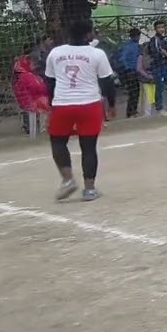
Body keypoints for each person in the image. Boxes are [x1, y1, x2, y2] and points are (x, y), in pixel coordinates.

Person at [46, 18, 116, 201]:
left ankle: (68, 180)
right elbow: (107, 82)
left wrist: (52, 103)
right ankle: (89, 190)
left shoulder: (55, 52)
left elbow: (50, 82)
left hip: (62, 103)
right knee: (89, 147)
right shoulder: (97, 53)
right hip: (89, 104)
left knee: (58, 141)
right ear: (89, 34)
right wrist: (112, 105)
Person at [146, 20, 167, 115]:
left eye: (163, 27)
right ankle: (159, 109)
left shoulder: (164, 40)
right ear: (155, 29)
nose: (161, 29)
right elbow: (156, 53)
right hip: (157, 67)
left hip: (165, 66)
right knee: (160, 87)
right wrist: (165, 54)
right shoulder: (154, 40)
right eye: (159, 27)